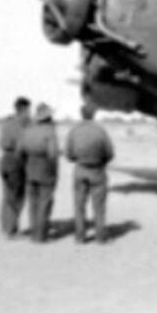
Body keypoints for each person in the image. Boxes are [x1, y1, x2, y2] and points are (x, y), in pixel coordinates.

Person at [66, 102, 115, 244]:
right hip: (97, 171)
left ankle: (80, 237)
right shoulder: (100, 131)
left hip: (80, 170)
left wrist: (78, 159)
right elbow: (110, 153)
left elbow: (68, 154)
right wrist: (101, 162)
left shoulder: (74, 131)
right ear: (93, 114)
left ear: (81, 114)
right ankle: (100, 237)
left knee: (79, 205)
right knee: (99, 206)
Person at [16, 103, 60, 242]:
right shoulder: (50, 132)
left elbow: (19, 152)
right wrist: (54, 172)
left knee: (33, 203)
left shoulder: (27, 130)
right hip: (46, 170)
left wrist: (26, 164)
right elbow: (53, 154)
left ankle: (34, 232)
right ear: (48, 117)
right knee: (44, 203)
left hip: (30, 169)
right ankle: (40, 236)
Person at [0, 96, 31, 237]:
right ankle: (11, 229)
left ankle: (6, 225)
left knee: (7, 195)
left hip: (4, 159)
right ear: (24, 109)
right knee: (17, 196)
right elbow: (24, 144)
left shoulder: (7, 123)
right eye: (29, 109)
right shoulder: (23, 124)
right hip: (17, 161)